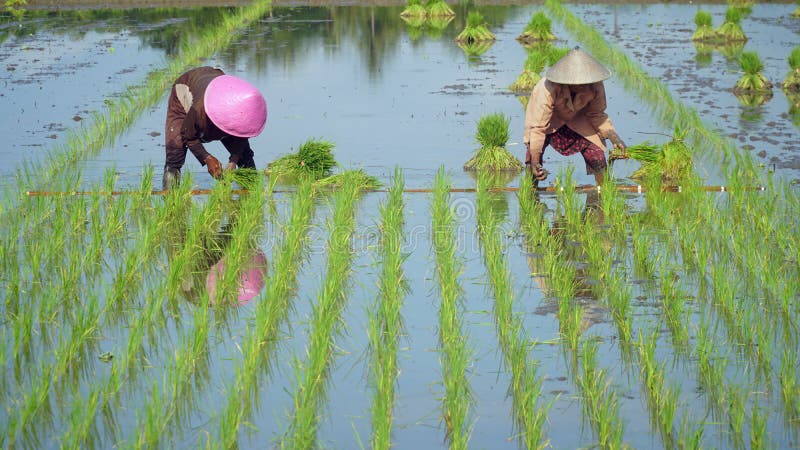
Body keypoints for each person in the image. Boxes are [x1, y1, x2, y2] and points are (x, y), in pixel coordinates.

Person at [523, 47, 627, 186]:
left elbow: (597, 114)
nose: (586, 86)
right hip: (549, 123)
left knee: (597, 154)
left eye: (587, 82)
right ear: (569, 81)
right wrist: (535, 161)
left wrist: (615, 138)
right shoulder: (547, 88)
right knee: (533, 154)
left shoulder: (595, 85)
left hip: (578, 122)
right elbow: (538, 127)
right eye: (581, 83)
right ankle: (531, 192)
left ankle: (603, 193)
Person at [163, 66, 267, 189]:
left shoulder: (241, 106)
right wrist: (206, 158)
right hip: (186, 91)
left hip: (216, 84)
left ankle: (252, 190)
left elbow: (241, 134)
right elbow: (187, 134)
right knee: (175, 153)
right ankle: (170, 198)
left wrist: (233, 160)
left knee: (244, 156)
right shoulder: (199, 110)